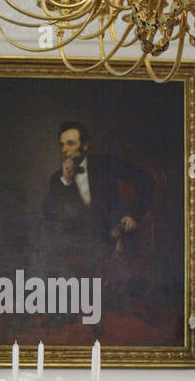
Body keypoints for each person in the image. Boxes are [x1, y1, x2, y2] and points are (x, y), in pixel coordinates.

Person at [39, 120, 156, 325]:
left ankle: (92, 307)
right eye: (62, 145)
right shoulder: (58, 178)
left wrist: (134, 215)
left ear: (85, 145)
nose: (65, 149)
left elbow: (147, 179)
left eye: (70, 143)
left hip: (112, 233)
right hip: (78, 239)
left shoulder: (106, 164)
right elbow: (49, 213)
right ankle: (65, 310)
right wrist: (66, 180)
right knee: (47, 243)